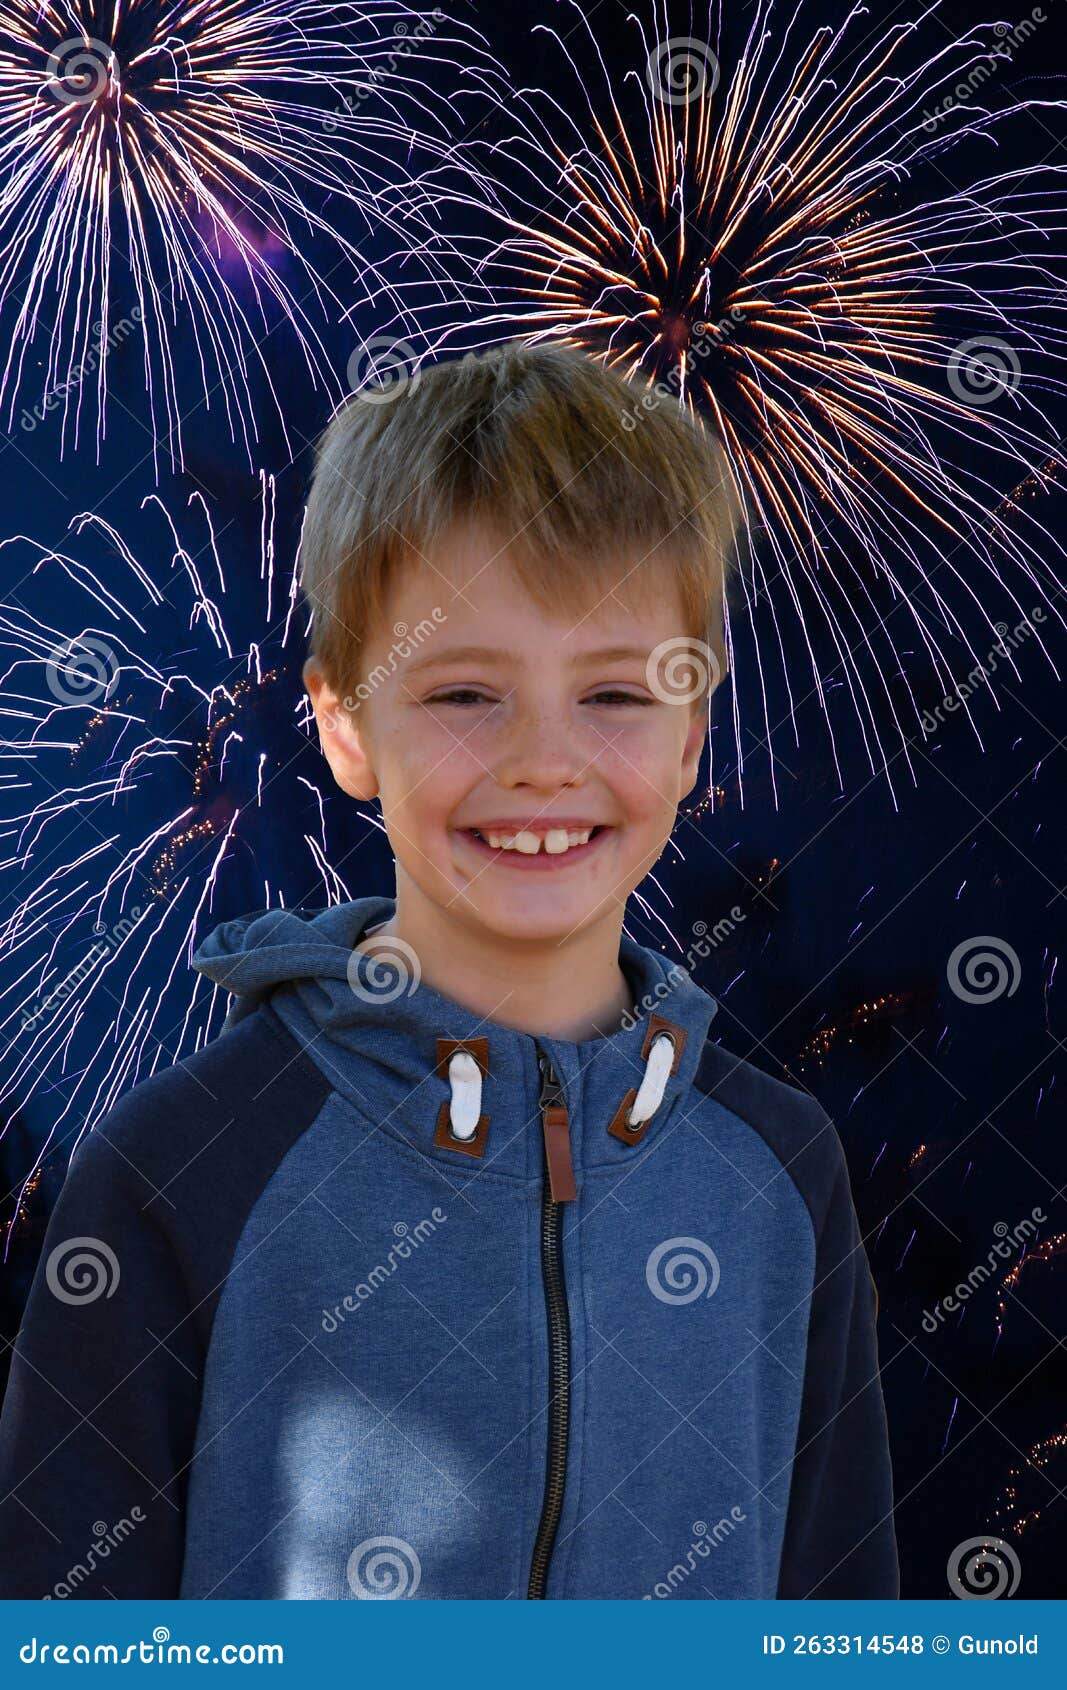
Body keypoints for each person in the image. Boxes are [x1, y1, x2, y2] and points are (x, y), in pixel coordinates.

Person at [0, 341, 898, 1599]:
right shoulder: (177, 1168)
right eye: (466, 691)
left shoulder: (782, 1174)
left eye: (615, 697)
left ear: (694, 735)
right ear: (345, 725)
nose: (543, 761)